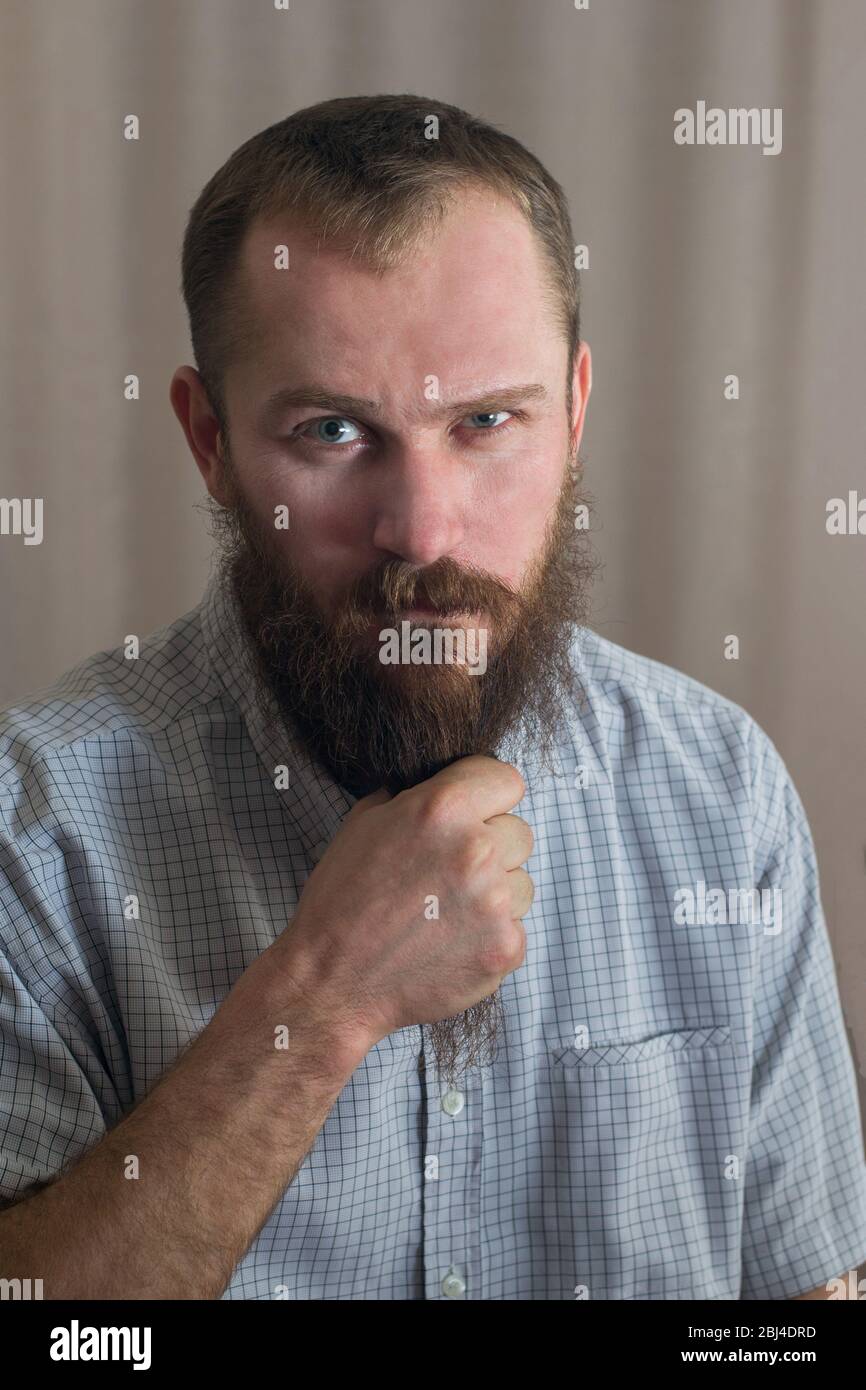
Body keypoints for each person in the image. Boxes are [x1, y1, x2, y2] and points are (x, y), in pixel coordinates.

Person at [1, 95, 865, 1301]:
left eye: (485, 423)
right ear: (208, 440)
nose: (422, 529)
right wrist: (323, 995)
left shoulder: (723, 797)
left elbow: (805, 1300)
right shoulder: (36, 834)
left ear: (571, 411)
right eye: (334, 430)